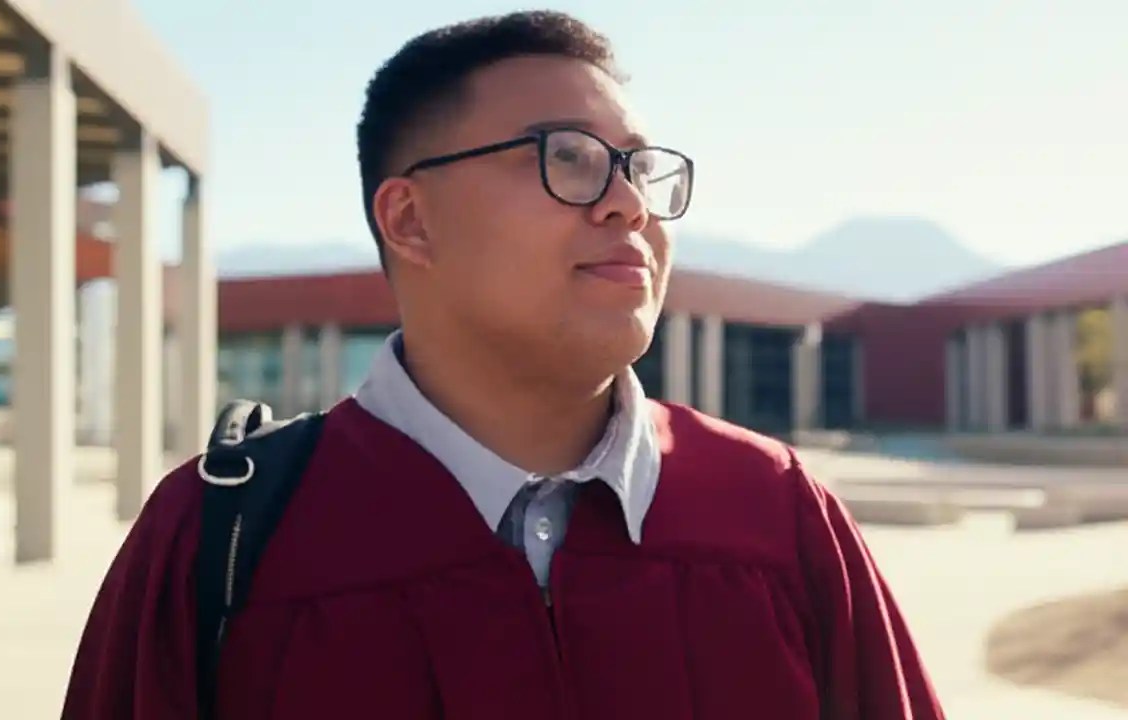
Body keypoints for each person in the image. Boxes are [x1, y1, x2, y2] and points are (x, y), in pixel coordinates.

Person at [62, 10, 944, 719]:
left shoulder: (773, 512)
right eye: (570, 159)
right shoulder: (221, 543)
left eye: (641, 169)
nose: (630, 205)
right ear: (409, 220)